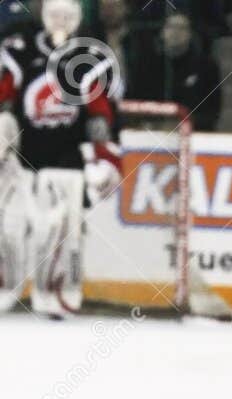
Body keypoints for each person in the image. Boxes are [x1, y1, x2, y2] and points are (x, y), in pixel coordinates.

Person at [0, 0, 121, 316]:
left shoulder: (88, 56)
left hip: (66, 158)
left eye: (67, 16)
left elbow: (99, 110)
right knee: (9, 225)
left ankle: (58, 290)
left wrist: (103, 151)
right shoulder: (21, 48)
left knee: (60, 229)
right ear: (43, 16)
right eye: (54, 15)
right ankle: (4, 285)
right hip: (23, 155)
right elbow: (6, 92)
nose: (60, 22)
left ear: (77, 21)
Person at [126, 6, 223, 129]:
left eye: (182, 28)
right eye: (171, 27)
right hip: (149, 133)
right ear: (162, 32)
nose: (176, 32)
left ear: (190, 34)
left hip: (193, 134)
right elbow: (133, 100)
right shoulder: (145, 65)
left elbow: (212, 109)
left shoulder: (206, 67)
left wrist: (185, 125)